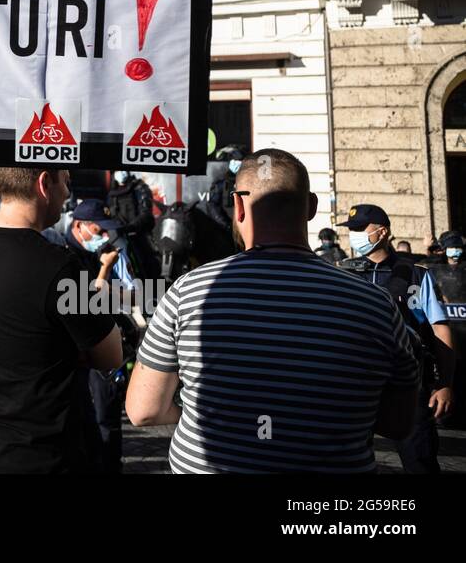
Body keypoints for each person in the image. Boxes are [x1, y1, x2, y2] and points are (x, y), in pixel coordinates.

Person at [127, 151, 420, 472]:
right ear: (310, 207)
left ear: (238, 207)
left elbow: (144, 410)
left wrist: (211, 416)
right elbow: (399, 424)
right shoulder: (376, 303)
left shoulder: (187, 292)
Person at [0, 167, 122, 474]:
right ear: (44, 183)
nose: (67, 194)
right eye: (65, 183)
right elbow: (110, 355)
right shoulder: (62, 266)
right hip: (36, 459)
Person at [339, 202, 455, 473]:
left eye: (360, 229)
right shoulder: (344, 274)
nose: (353, 235)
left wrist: (445, 383)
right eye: (351, 229)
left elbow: (440, 329)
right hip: (355, 386)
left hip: (408, 385)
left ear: (382, 233)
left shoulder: (416, 273)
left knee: (419, 461)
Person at [65, 198, 134, 473]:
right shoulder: (66, 254)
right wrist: (105, 269)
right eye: (98, 229)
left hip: (103, 344)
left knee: (106, 420)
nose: (103, 236)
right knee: (99, 422)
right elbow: (88, 299)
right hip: (83, 354)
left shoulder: (93, 252)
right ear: (79, 226)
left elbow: (126, 294)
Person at [107, 170, 157, 279]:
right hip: (120, 238)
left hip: (141, 236)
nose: (120, 172)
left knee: (149, 267)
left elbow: (146, 213)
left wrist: (130, 227)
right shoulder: (112, 192)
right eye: (117, 170)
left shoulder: (139, 188)